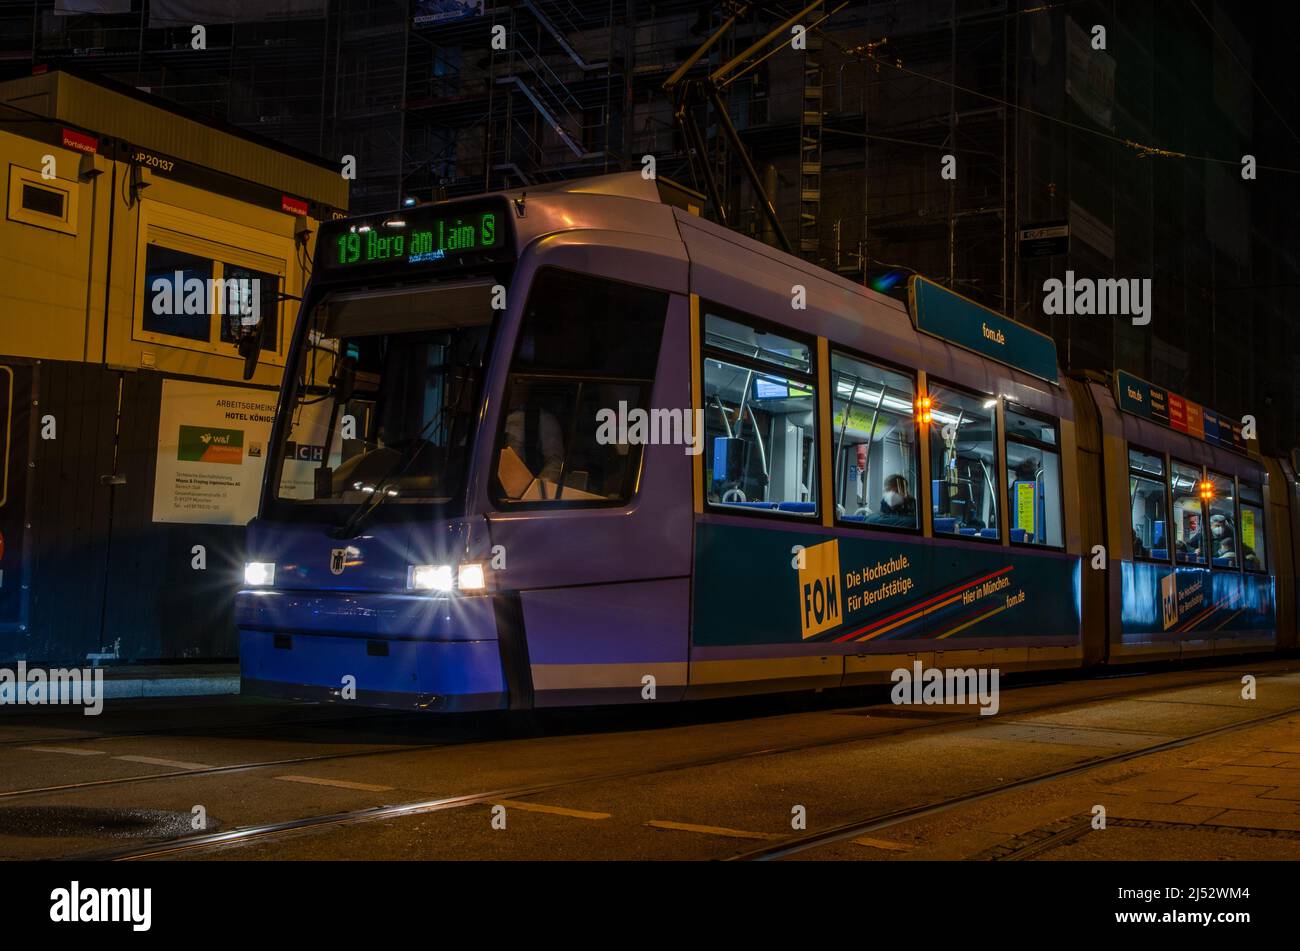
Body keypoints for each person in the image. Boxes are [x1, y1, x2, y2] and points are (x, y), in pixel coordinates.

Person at [502, 381, 565, 489]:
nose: (513, 388)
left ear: (527, 388)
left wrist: (536, 490)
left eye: (519, 383)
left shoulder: (543, 419)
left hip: (520, 492)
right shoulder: (488, 418)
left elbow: (555, 461)